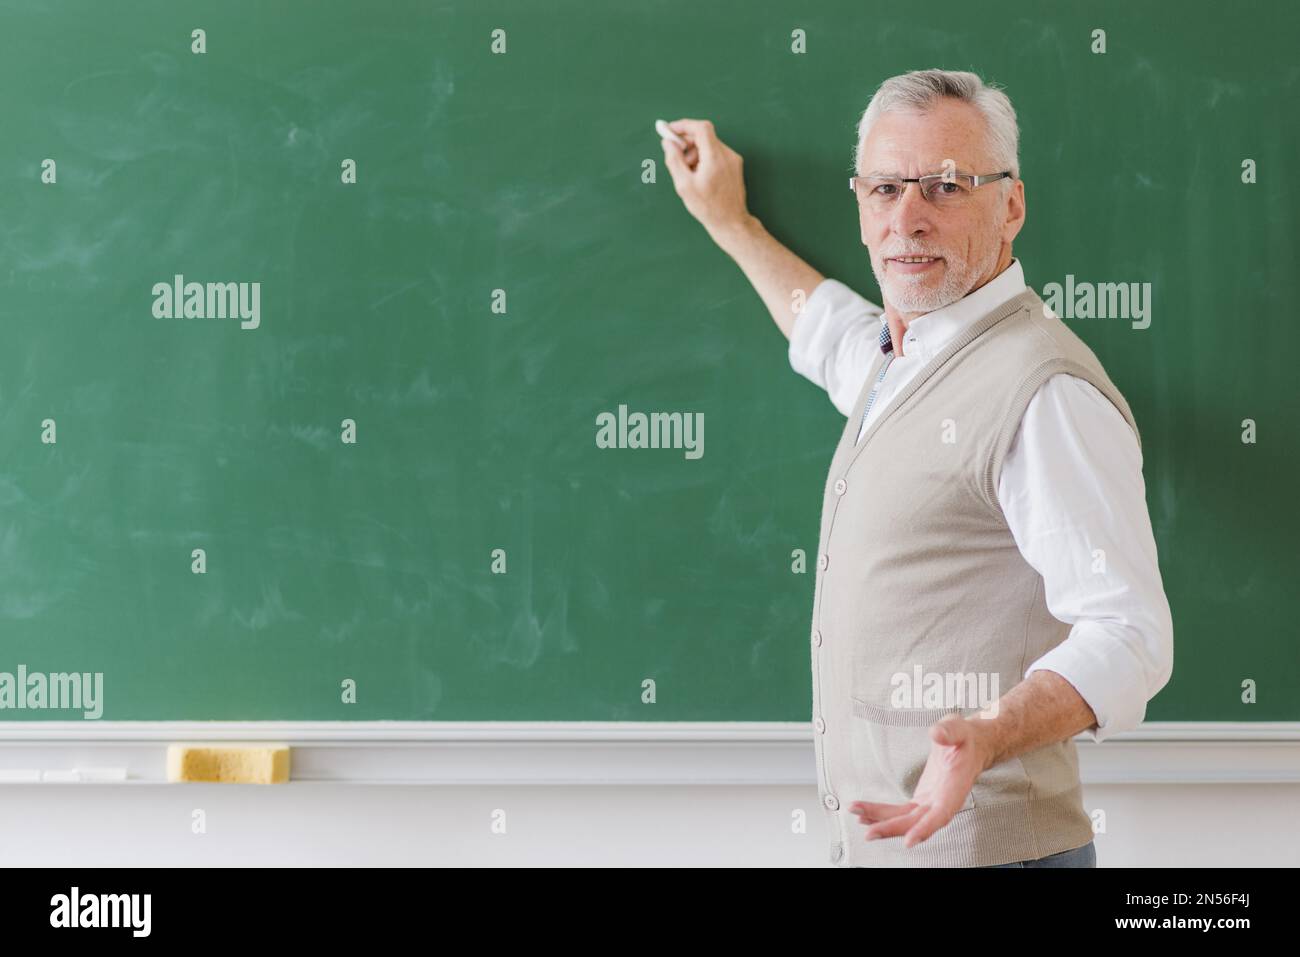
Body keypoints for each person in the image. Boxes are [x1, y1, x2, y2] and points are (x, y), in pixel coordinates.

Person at [659, 69, 1173, 867]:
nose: (908, 218)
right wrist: (733, 223)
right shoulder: (903, 354)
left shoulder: (1046, 391)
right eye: (886, 188)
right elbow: (822, 327)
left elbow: (1131, 633)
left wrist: (991, 731)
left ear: (1012, 205)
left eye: (946, 187)